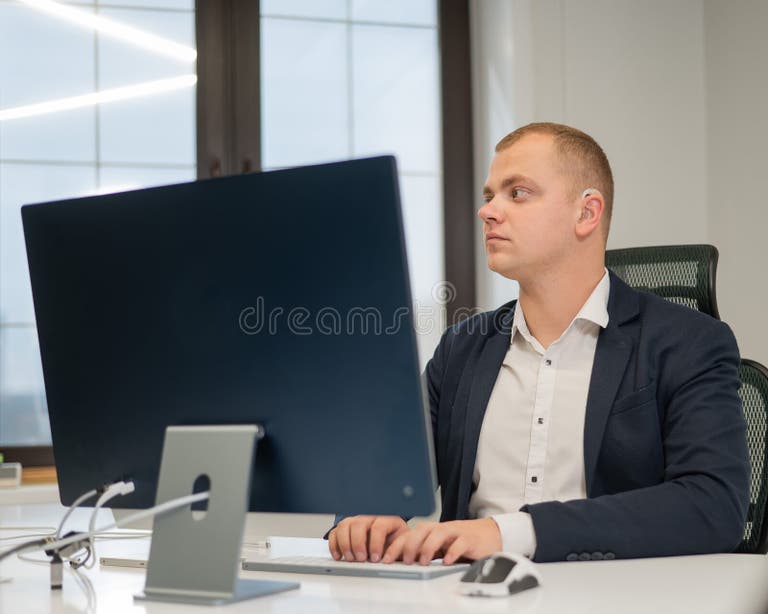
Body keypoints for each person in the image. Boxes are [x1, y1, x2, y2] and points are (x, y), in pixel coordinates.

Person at [328, 122, 750, 564]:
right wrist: (362, 518)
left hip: (616, 595)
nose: (487, 212)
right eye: (489, 195)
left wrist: (509, 533)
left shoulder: (688, 342)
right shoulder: (461, 348)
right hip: (469, 596)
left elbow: (712, 504)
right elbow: (383, 478)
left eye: (518, 193)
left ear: (586, 213)